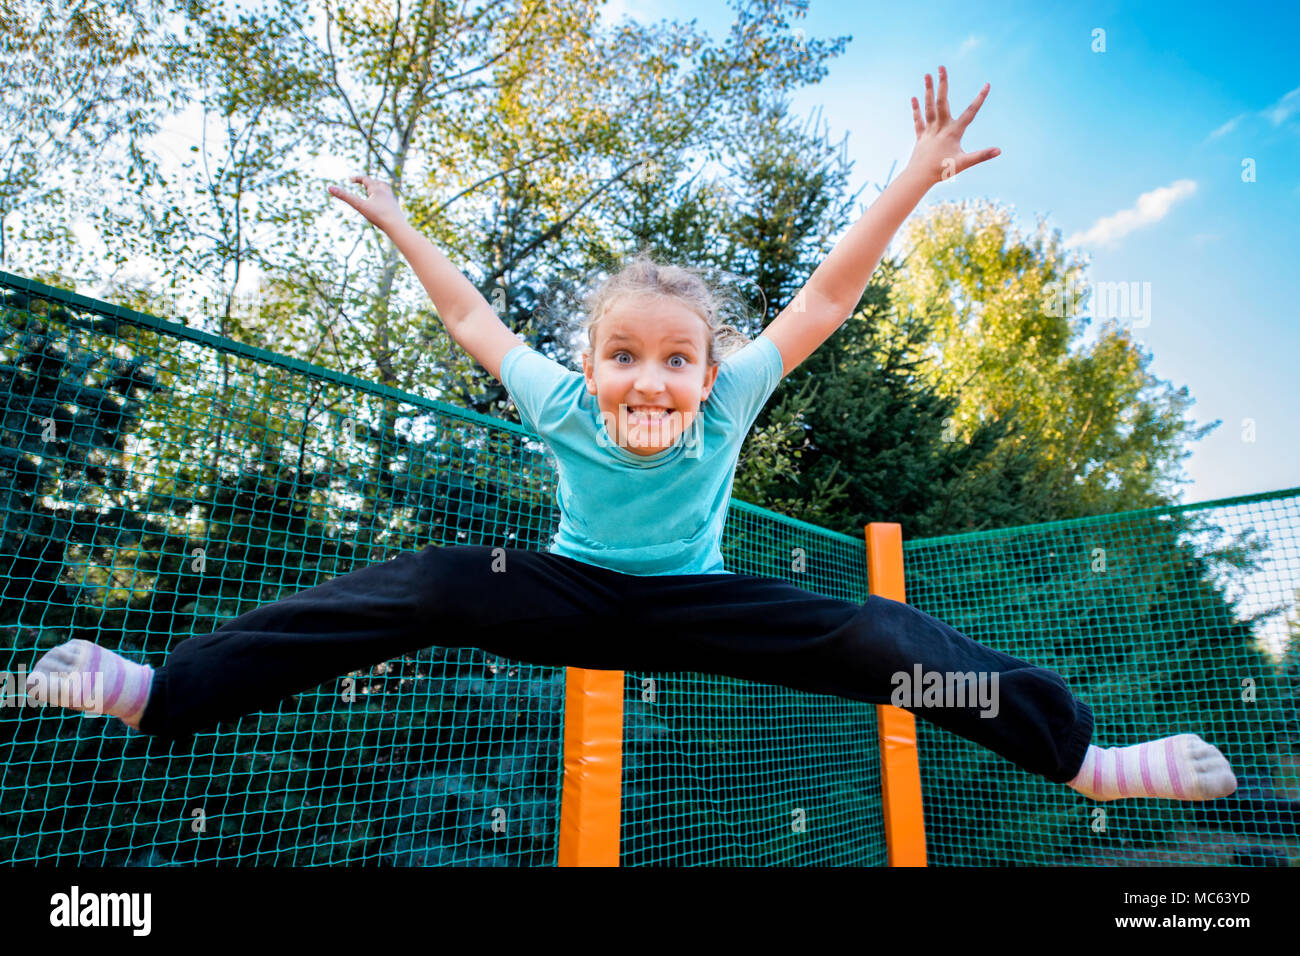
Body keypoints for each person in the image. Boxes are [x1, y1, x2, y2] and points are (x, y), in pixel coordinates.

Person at [27, 66, 1235, 804]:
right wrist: (401, 222)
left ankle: (1082, 758)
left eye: (675, 359)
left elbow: (821, 300)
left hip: (702, 601)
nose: (649, 381)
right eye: (623, 358)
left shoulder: (730, 397)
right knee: (436, 577)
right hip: (566, 592)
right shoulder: (557, 403)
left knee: (879, 630)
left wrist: (913, 180)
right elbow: (467, 313)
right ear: (591, 369)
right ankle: (158, 689)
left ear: (708, 372)